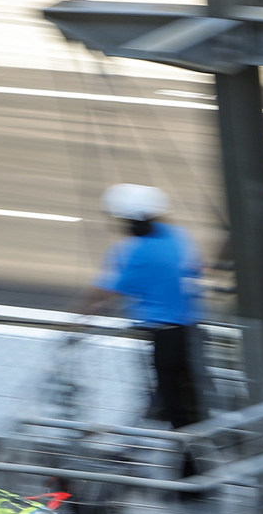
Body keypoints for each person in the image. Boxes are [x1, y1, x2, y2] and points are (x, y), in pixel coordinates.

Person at [73, 184, 204, 429]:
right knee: (190, 397)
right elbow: (195, 269)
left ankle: (187, 450)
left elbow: (105, 292)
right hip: (191, 330)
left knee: (174, 404)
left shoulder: (134, 251)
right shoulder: (178, 236)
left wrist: (76, 319)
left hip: (165, 337)